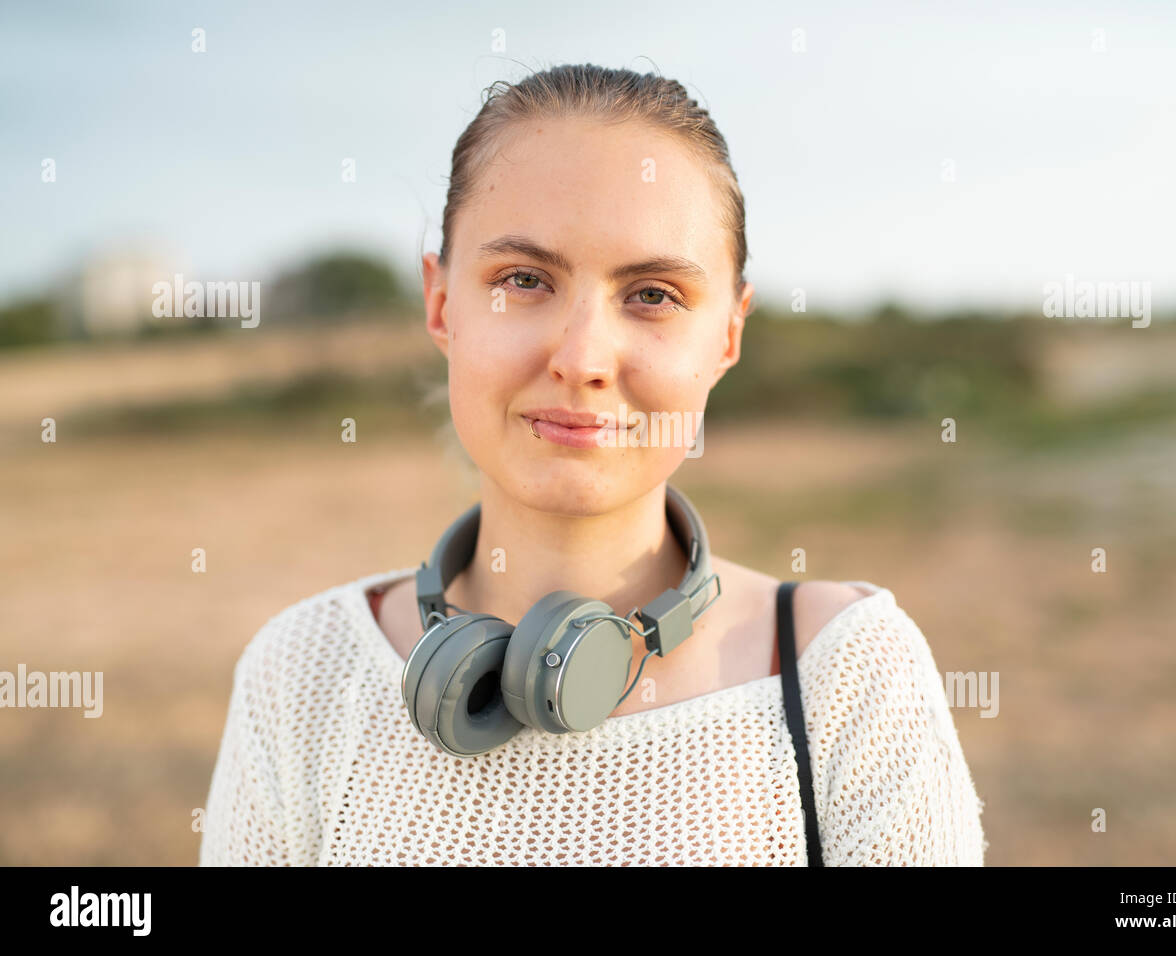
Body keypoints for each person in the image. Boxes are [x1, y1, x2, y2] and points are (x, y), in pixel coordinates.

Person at [199, 63, 985, 866]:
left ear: (727, 335)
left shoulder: (843, 672)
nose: (581, 359)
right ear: (442, 306)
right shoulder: (302, 675)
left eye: (652, 294)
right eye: (525, 280)